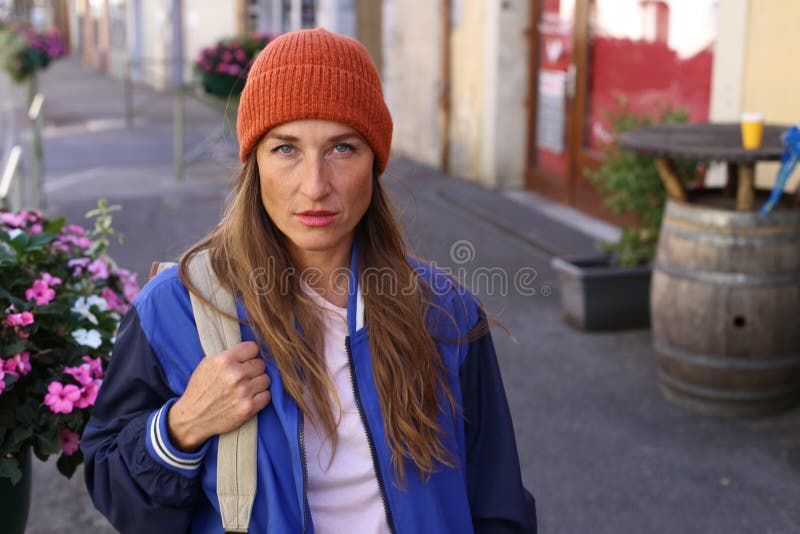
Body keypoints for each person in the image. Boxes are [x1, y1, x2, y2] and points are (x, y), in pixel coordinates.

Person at [81, 28, 537, 534]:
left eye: (342, 148)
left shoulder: (445, 312)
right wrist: (180, 427)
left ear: (375, 160)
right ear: (254, 161)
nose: (315, 185)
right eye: (286, 149)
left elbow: (497, 502)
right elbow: (115, 490)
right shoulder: (176, 310)